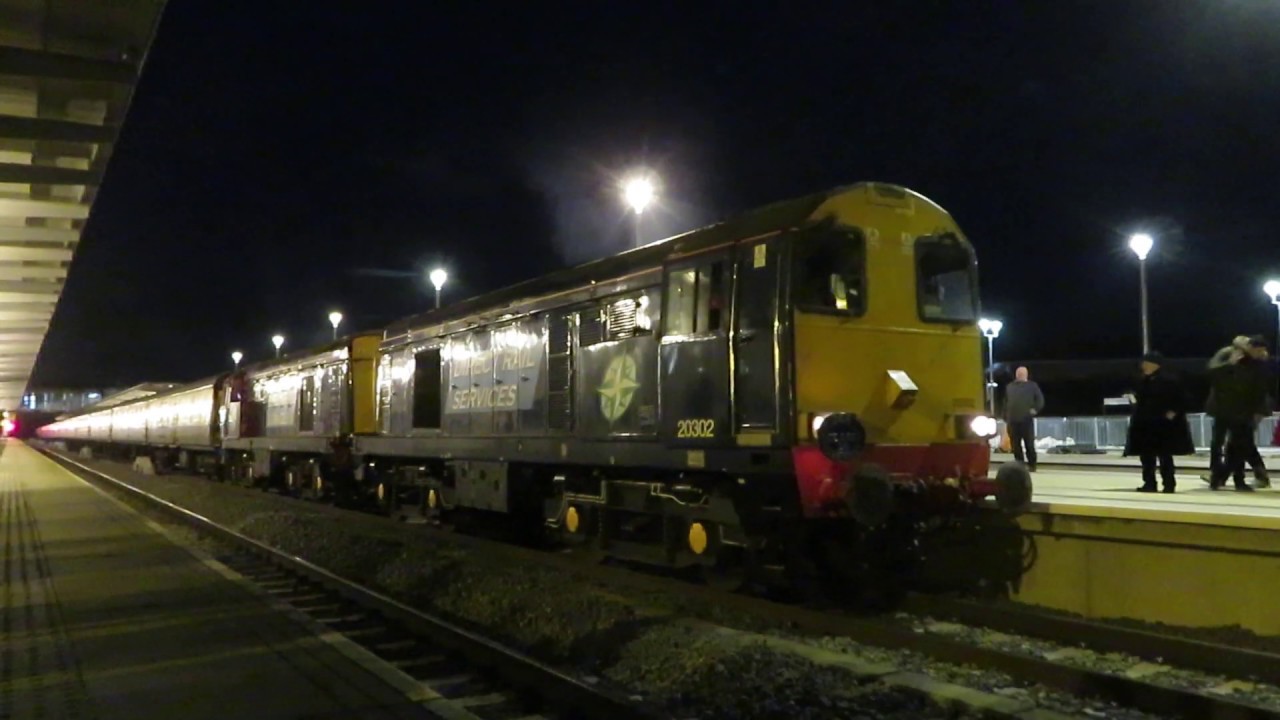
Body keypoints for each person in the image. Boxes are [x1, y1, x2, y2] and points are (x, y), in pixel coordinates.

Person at [1202, 336, 1271, 488]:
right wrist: (1229, 364)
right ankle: (1219, 476)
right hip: (1223, 408)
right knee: (1222, 444)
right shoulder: (1228, 354)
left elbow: (1260, 389)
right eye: (1258, 350)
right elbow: (1211, 374)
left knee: (1239, 446)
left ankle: (1230, 478)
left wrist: (1259, 410)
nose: (1261, 353)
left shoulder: (1257, 363)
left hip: (1242, 410)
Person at [1123, 351, 1194, 493]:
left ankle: (1168, 483)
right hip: (1145, 424)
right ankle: (1150, 483)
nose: (1143, 366)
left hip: (1162, 425)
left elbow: (1182, 399)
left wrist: (1173, 412)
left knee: (1164, 456)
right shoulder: (1143, 380)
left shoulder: (1168, 380)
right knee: (1147, 457)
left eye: (1147, 363)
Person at [1003, 366, 1045, 471]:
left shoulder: (1032, 386)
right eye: (1018, 373)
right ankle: (1019, 465)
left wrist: (1035, 409)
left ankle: (1032, 465)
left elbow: (1040, 400)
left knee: (1029, 444)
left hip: (1026, 420)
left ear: (1026, 374)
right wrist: (1005, 416)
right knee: (1015, 446)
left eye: (1022, 373)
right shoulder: (1010, 387)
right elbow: (1005, 402)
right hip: (1012, 421)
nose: (1020, 375)